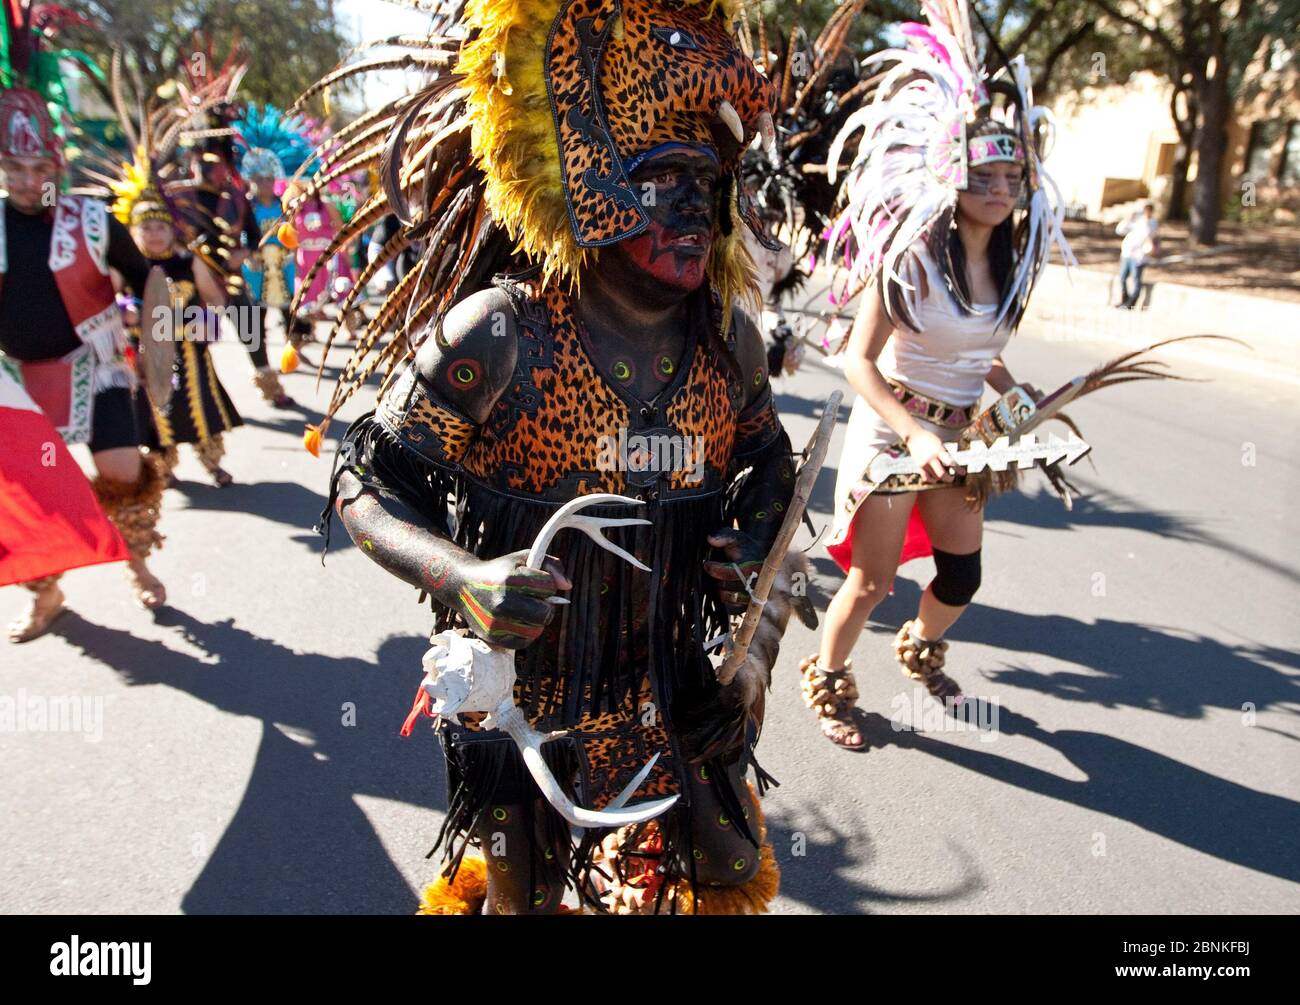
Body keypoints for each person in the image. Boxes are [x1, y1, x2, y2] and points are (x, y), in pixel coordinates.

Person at [293, 0, 802, 915]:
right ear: (589, 184)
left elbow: (774, 468)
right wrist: (462, 575)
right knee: (524, 901)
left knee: (724, 868)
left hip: (674, 685)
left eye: (706, 186)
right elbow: (366, 484)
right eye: (661, 183)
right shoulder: (503, 334)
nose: (691, 211)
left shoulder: (732, 342)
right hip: (527, 702)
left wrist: (750, 551)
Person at [804, 0, 1075, 747]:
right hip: (897, 431)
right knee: (871, 580)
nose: (998, 185)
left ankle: (920, 645)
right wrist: (911, 430)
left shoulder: (1009, 263)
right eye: (984, 172)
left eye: (1010, 174)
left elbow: (976, 350)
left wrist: (1011, 391)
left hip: (962, 440)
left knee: (962, 578)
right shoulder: (913, 257)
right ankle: (827, 680)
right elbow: (856, 361)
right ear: (953, 175)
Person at [0, 87, 169, 641]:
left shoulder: (92, 221)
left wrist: (154, 353)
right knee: (31, 497)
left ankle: (137, 563)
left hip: (97, 366)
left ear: (57, 166)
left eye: (37, 168)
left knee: (123, 472)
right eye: (13, 168)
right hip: (19, 381)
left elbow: (150, 281)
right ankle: (47, 593)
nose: (27, 181)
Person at [115, 171, 243, 487]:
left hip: (190, 352)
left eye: (161, 227)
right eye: (147, 227)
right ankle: (163, 468)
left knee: (201, 410)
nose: (155, 233)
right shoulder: (128, 265)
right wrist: (123, 311)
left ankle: (213, 464)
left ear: (173, 231)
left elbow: (215, 298)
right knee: (155, 413)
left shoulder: (190, 262)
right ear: (134, 231)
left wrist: (208, 321)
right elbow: (109, 299)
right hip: (146, 354)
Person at [1116, 202, 1159, 309]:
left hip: (1139, 256)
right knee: (1122, 278)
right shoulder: (1135, 221)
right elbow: (1120, 230)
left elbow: (1149, 233)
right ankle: (1124, 299)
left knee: (1136, 279)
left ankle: (1131, 303)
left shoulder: (1152, 223)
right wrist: (1128, 219)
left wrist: (1146, 221)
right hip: (1127, 253)